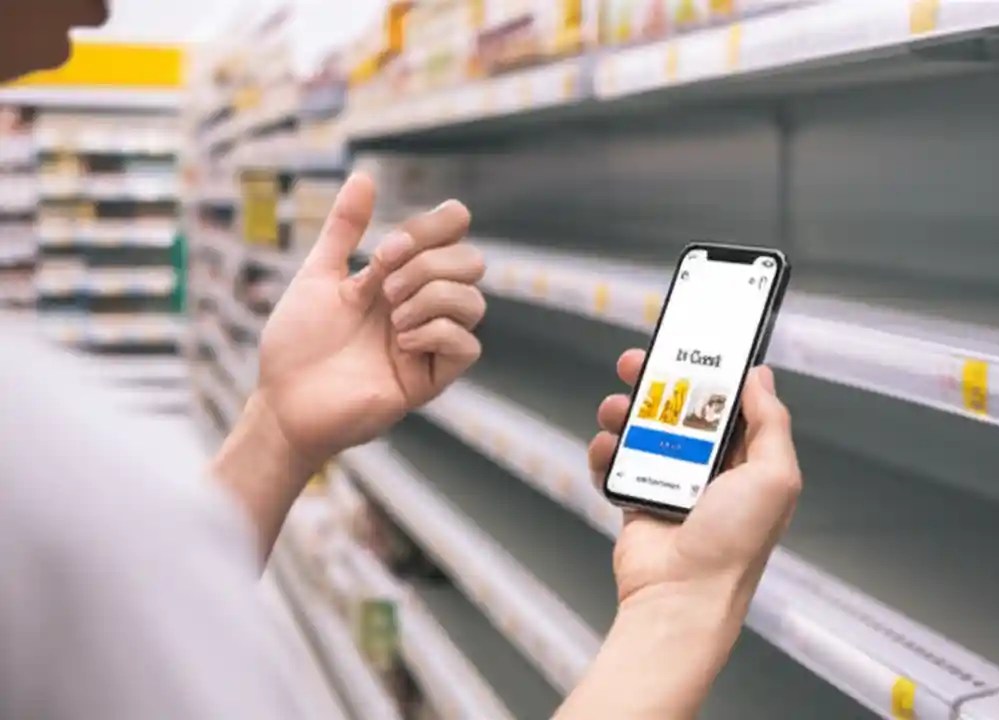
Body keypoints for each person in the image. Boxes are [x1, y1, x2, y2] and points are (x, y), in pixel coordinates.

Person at [0, 5, 804, 720]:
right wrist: (680, 605)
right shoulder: (46, 467)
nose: (107, 11)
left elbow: (101, 659)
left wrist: (277, 431)